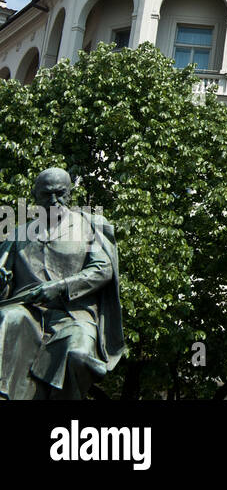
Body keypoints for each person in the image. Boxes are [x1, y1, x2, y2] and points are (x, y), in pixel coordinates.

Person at [0, 168, 125, 400]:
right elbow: (4, 288)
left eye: (61, 193)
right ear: (35, 195)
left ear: (69, 195)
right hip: (29, 314)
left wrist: (61, 286)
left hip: (74, 316)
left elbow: (103, 269)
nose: (54, 200)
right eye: (47, 194)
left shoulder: (87, 227)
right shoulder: (17, 235)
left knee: (78, 355)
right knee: (8, 318)